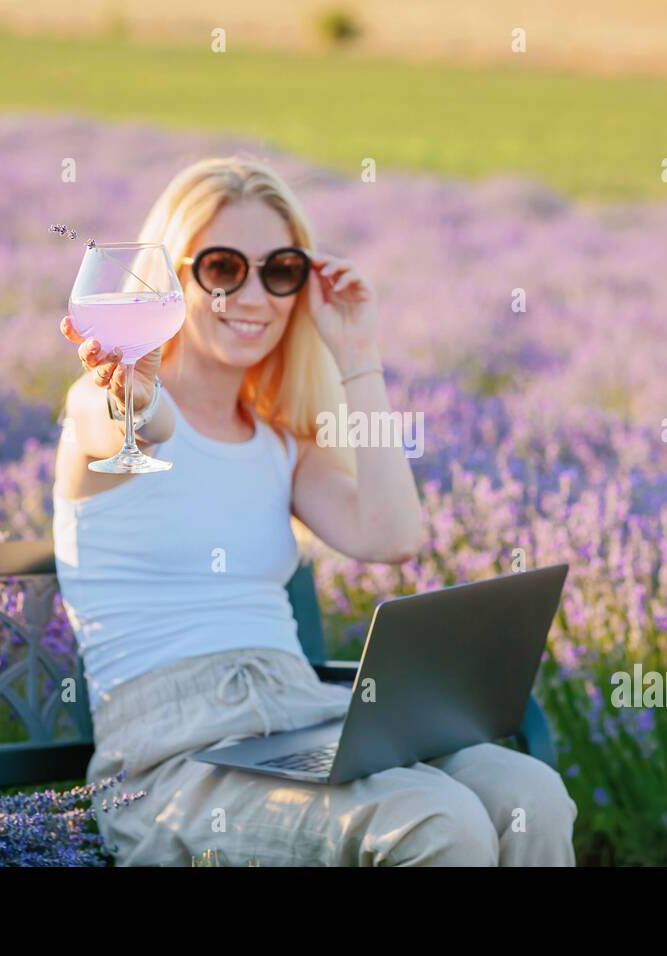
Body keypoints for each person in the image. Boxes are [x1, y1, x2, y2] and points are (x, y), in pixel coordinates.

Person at [52, 156, 576, 866]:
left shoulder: (279, 445)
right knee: (435, 822)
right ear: (170, 278)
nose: (254, 294)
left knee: (528, 793)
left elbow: (393, 535)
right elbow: (122, 423)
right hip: (172, 764)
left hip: (299, 722)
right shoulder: (98, 406)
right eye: (223, 267)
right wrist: (135, 392)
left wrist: (357, 352)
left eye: (280, 270)